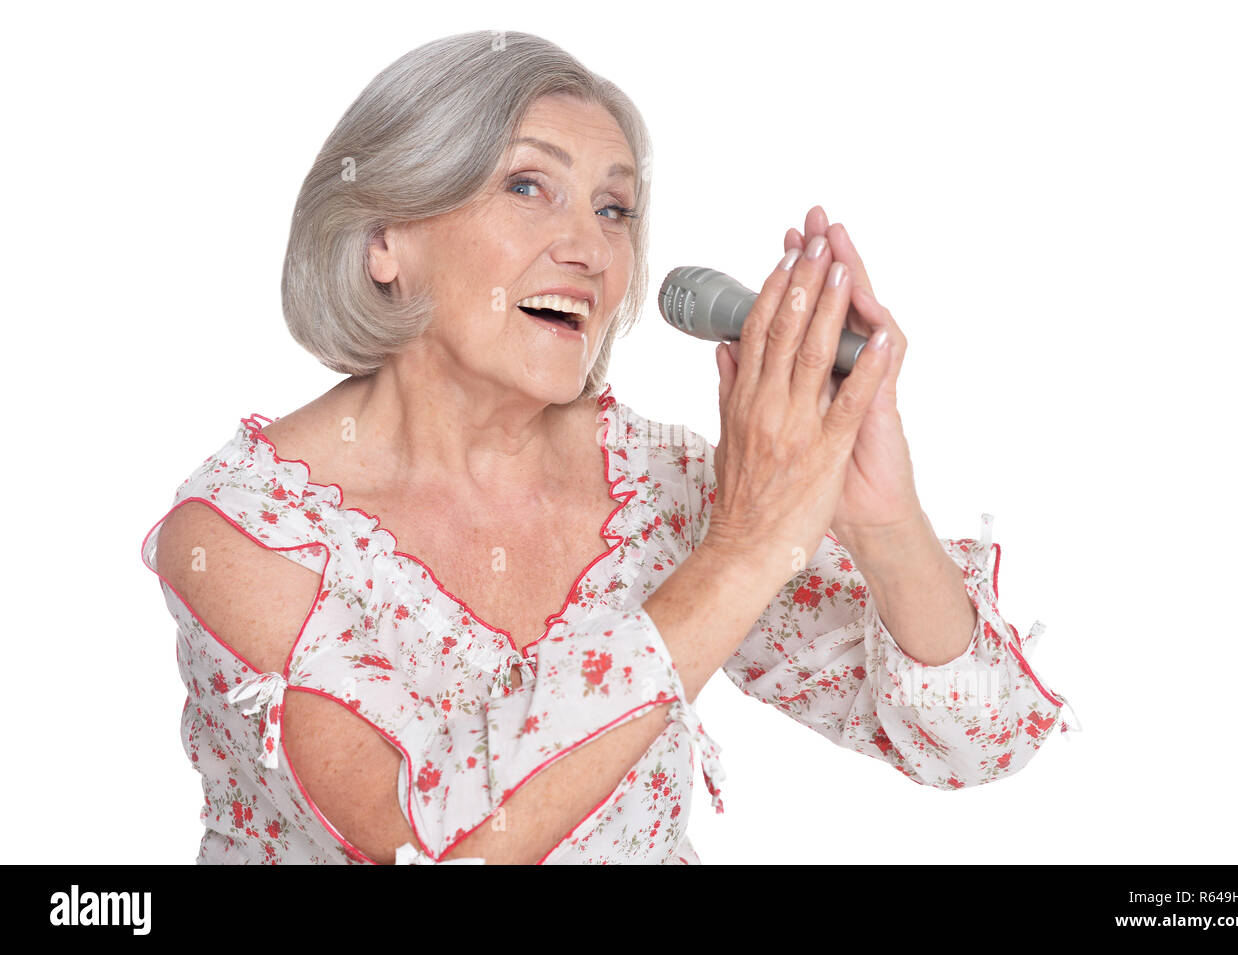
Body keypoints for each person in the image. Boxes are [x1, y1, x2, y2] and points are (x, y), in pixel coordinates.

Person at [140, 30, 1077, 865]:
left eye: (615, 210)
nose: (587, 249)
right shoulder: (242, 529)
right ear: (386, 237)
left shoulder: (654, 484)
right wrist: (745, 546)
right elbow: (417, 841)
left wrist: (884, 522)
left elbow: (982, 736)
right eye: (526, 186)